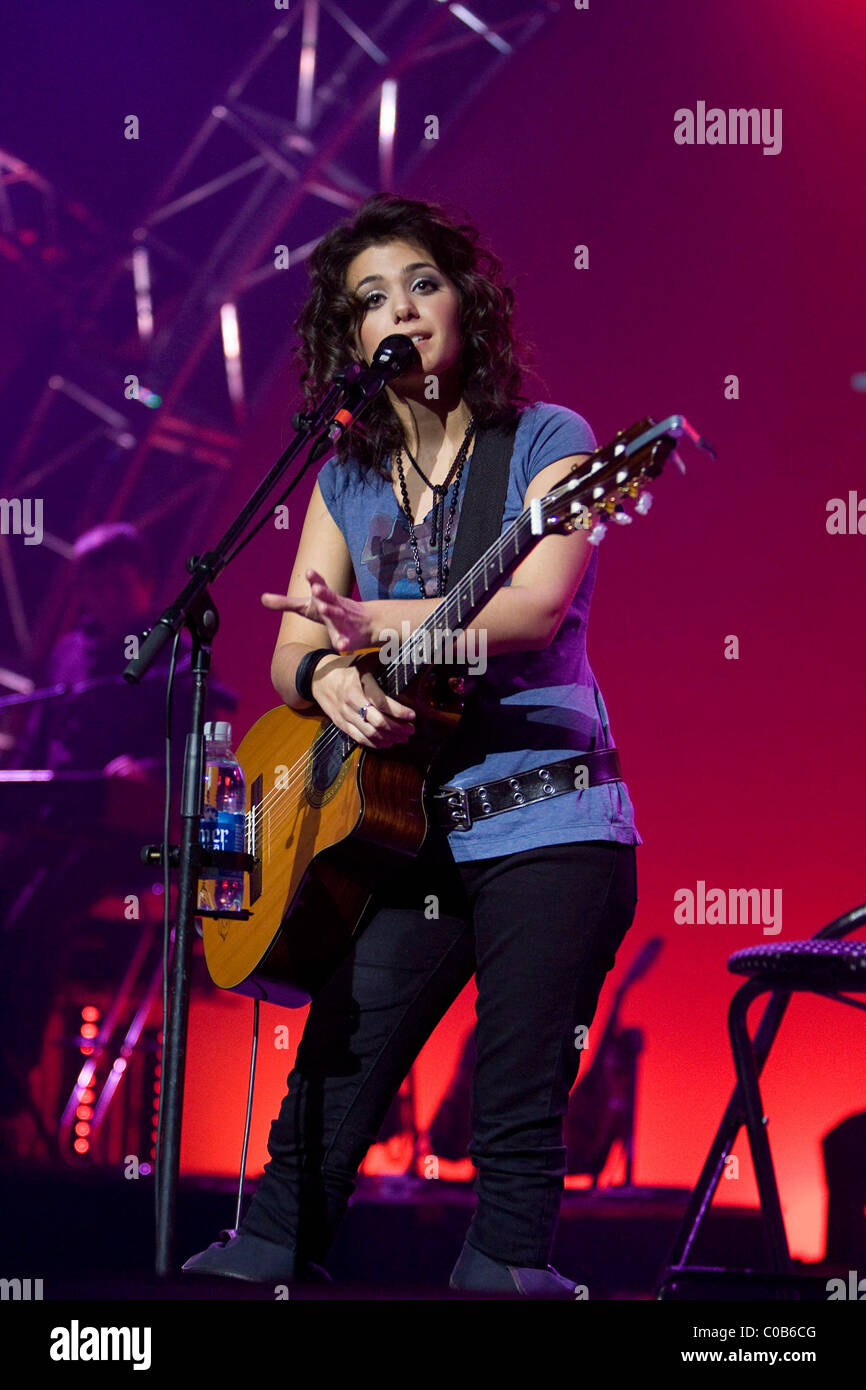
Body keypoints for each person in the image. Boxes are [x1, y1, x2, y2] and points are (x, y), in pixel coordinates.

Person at [183, 193, 641, 1296]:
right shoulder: (342, 477)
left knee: (515, 1081)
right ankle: (277, 1241)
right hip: (406, 824)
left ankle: (505, 1266)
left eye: (421, 283)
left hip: (549, 814)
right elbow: (292, 646)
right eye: (370, 299)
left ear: (462, 303)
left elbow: (527, 611)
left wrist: (366, 627)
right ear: (347, 342)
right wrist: (329, 676)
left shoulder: (549, 442)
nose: (402, 308)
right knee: (342, 1050)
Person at [0, 523, 233, 1152]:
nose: (97, 592)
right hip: (53, 822)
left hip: (122, 837)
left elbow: (205, 748)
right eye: (90, 580)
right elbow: (40, 741)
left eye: (111, 578)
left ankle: (11, 1077)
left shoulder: (175, 654)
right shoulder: (70, 654)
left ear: (140, 580)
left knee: (35, 913)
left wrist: (147, 772)